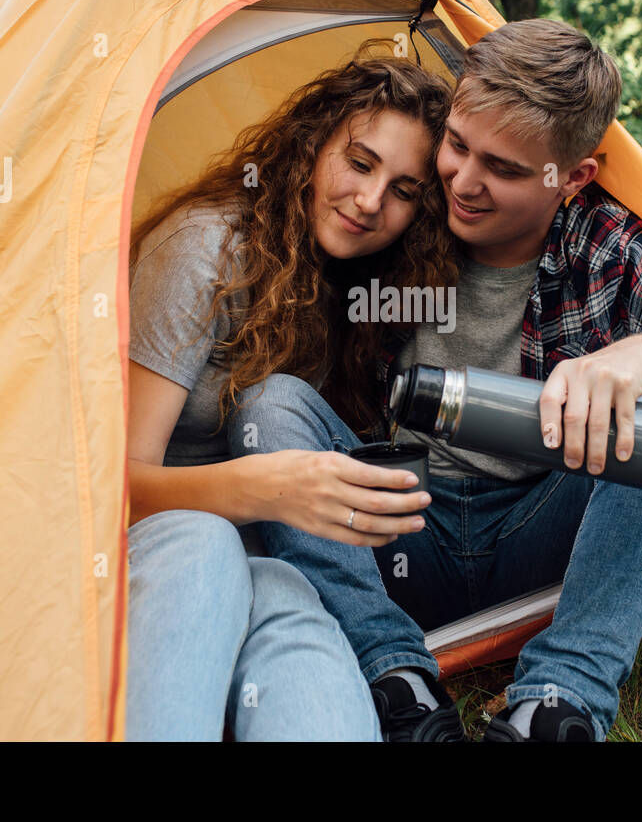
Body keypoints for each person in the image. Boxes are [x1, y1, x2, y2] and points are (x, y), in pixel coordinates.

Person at [229, 20, 642, 741]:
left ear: (572, 177)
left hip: (545, 529)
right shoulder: (409, 211)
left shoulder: (600, 243)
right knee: (270, 403)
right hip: (402, 528)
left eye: (505, 170)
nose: (466, 184)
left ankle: (559, 702)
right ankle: (396, 682)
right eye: (457, 146)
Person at [124, 54, 458, 741]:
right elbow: (113, 490)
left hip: (262, 548)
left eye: (402, 190)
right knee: (213, 546)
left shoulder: (349, 282)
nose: (370, 202)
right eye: (359, 163)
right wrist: (264, 488)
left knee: (296, 609)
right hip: (159, 543)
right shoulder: (206, 250)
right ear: (312, 145)